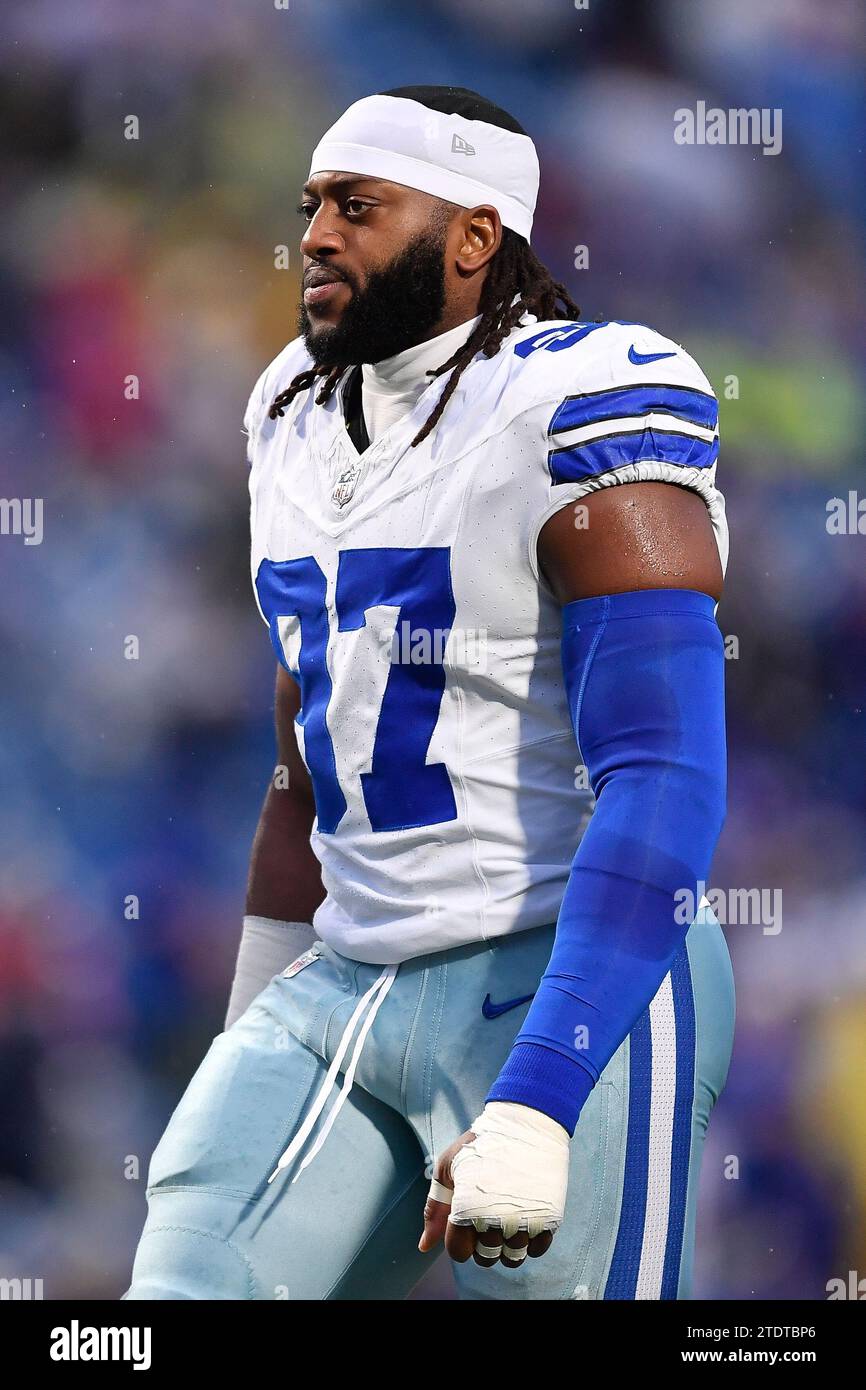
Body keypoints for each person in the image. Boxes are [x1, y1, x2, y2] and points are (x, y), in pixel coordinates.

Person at [125, 85, 735, 1301]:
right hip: (349, 987)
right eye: (310, 207)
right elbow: (310, 763)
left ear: (472, 237)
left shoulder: (574, 398)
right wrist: (256, 1011)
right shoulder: (287, 419)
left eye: (359, 205)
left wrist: (544, 1093)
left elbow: (662, 774)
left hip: (561, 969)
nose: (315, 234)